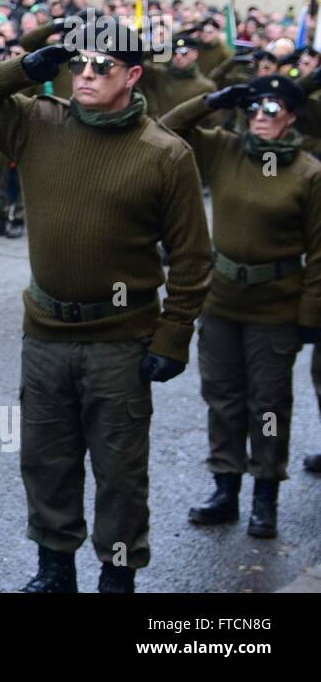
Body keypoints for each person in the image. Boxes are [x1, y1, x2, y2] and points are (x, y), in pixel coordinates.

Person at [0, 19, 212, 593]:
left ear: (134, 75)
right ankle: (54, 569)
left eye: (103, 67)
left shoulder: (165, 153)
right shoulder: (38, 123)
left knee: (119, 469)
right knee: (46, 460)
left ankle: (118, 574)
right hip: (46, 333)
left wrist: (173, 338)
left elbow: (193, 260)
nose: (86, 75)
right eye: (79, 65)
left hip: (122, 340)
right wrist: (26, 66)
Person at [162, 76, 321, 540]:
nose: (261, 117)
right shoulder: (225, 150)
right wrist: (211, 101)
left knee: (269, 405)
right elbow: (168, 130)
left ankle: (265, 495)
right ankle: (225, 488)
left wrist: (311, 316)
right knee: (223, 399)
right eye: (253, 109)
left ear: (291, 116)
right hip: (222, 301)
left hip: (277, 306)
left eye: (272, 109)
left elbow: (320, 252)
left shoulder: (309, 173)